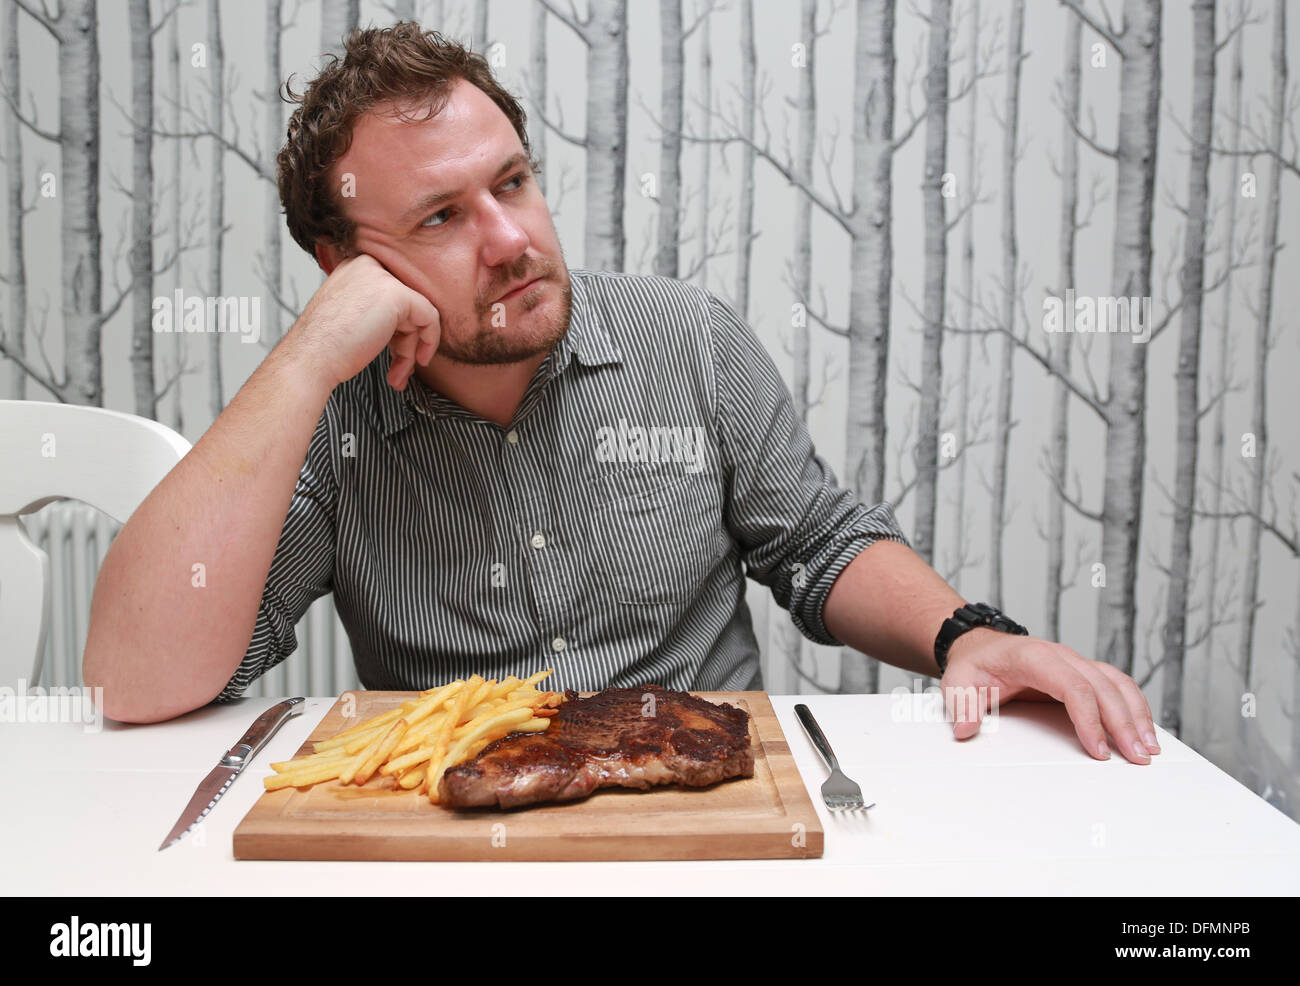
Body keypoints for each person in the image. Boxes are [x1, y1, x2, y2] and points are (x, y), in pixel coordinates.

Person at [83, 23, 1159, 766]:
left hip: (709, 809)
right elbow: (130, 681)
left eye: (511, 183)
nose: (510, 240)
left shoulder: (684, 338)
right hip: (467, 842)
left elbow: (820, 541)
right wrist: (306, 358)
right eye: (441, 218)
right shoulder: (330, 424)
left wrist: (965, 632)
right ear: (344, 264)